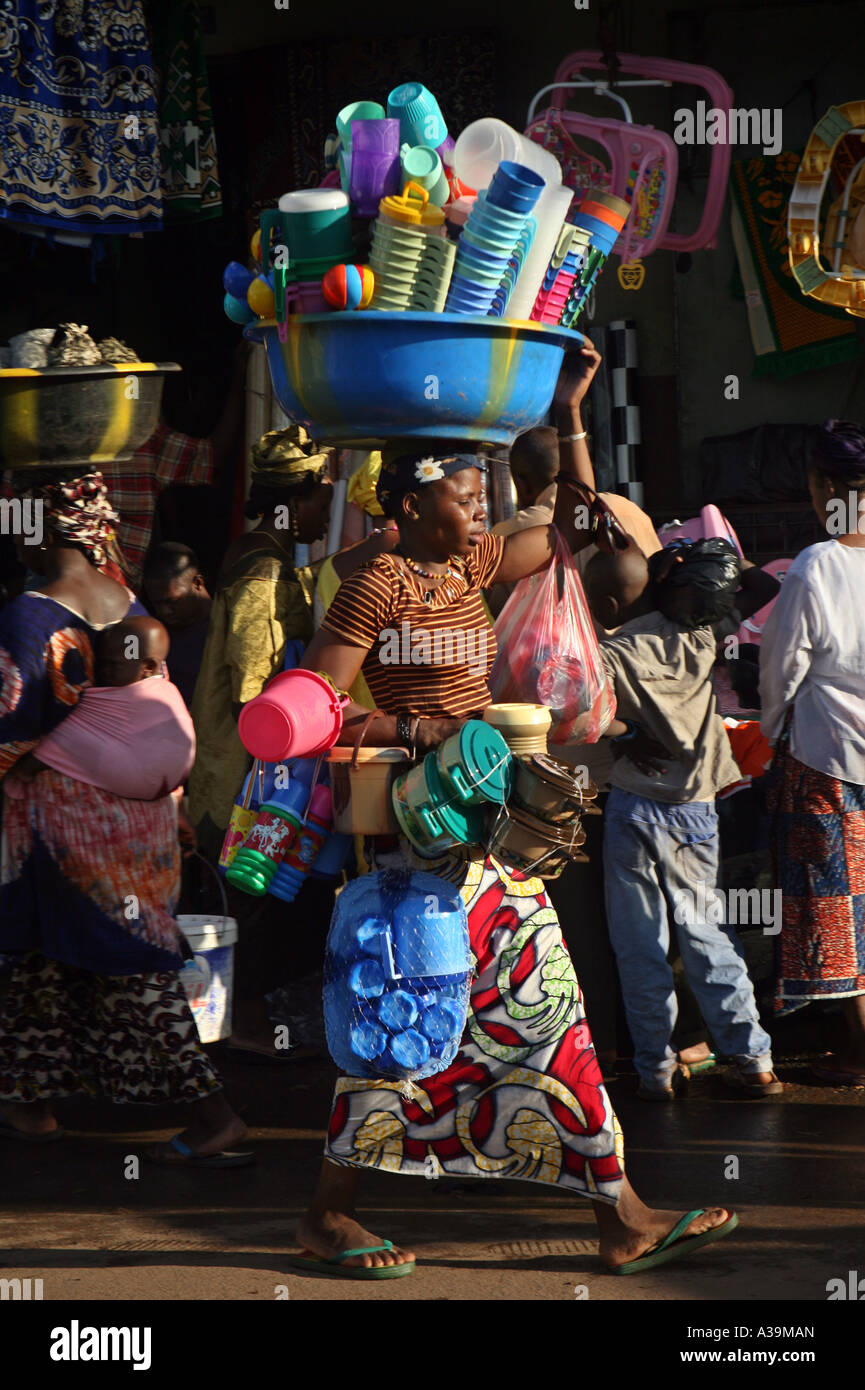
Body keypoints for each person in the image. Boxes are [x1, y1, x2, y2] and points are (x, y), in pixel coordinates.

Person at [284, 349, 740, 1280]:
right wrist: (417, 722)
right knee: (403, 1018)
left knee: (541, 1016)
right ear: (410, 507)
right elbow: (314, 701)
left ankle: (621, 1215)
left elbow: (588, 526)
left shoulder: (476, 563)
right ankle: (328, 1215)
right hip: (419, 842)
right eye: (460, 492)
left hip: (487, 837)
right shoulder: (376, 581)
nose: (478, 508)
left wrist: (571, 410)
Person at [0, 473, 249, 1166]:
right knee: (38, 957)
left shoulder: (31, 615)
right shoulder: (125, 598)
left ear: (41, 528)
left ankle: (215, 1114)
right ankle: (28, 1099)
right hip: (138, 820)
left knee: (129, 963)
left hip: (72, 828)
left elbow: (11, 730)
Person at [582, 539, 782, 1100]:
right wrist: (696, 555)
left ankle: (656, 1071)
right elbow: (762, 584)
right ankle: (754, 1060)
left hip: (631, 812)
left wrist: (627, 734)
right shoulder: (701, 634)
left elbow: (572, 713)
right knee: (706, 934)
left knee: (639, 943)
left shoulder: (609, 651)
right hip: (695, 812)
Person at [188, 426, 336, 1057]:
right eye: (320, 500)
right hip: (240, 771)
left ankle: (218, 1026)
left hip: (245, 767)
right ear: (295, 502)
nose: (326, 512)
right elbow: (255, 693)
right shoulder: (258, 573)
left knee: (239, 905)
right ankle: (227, 1027)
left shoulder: (267, 558)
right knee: (240, 903)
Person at [759, 420, 865, 1084]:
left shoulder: (816, 565)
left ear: (821, 485)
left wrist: (772, 729)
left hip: (827, 764)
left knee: (837, 910)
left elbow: (780, 672)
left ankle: (858, 1053)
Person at [102, 342, 249, 589]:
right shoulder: (44, 447)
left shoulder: (144, 441)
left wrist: (241, 382)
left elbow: (210, 457)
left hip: (119, 592)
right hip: (66, 593)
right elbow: (15, 508)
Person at [9, 617, 195, 803]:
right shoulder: (159, 685)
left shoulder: (159, 693)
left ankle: (27, 769)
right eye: (102, 664)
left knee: (63, 726)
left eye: (114, 665)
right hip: (163, 784)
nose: (104, 671)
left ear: (148, 667)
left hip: (136, 776)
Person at [143, 543, 213, 709]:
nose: (164, 611)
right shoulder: (154, 631)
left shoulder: (227, 628)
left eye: (172, 601)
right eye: (156, 604)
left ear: (197, 583)